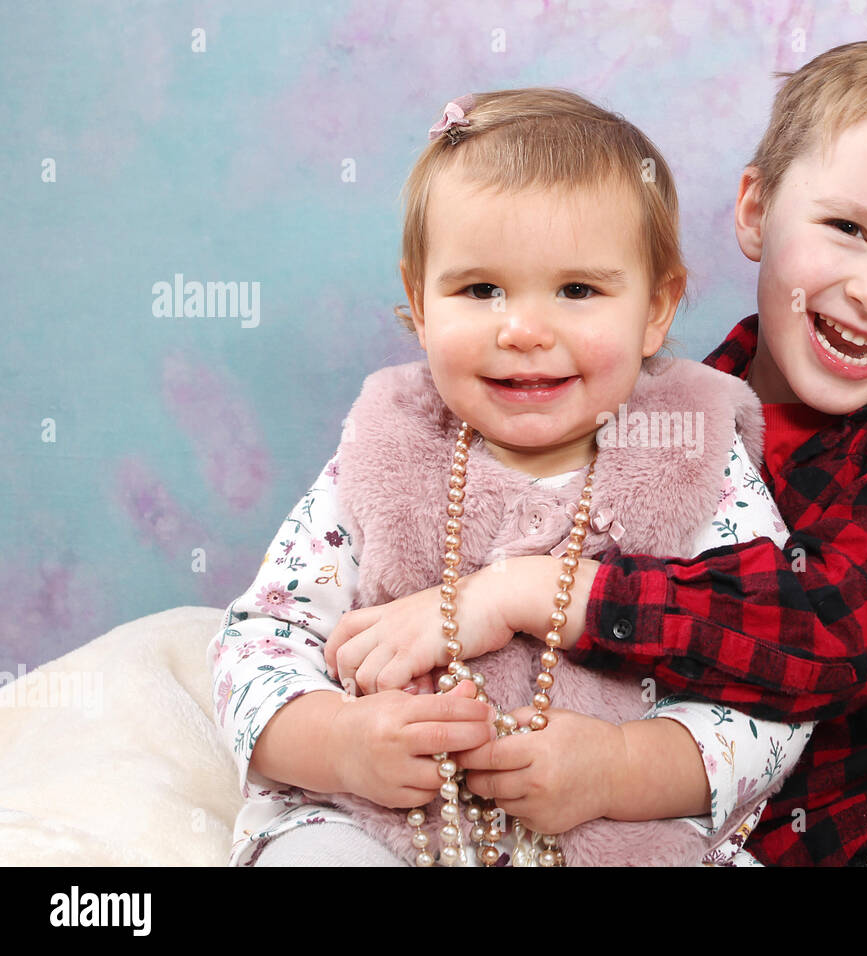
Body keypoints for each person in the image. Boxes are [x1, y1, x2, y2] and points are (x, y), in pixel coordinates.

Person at [329, 40, 867, 867]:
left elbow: (831, 632)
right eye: (846, 228)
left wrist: (533, 592)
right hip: (703, 830)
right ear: (756, 211)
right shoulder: (665, 410)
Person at [208, 87, 811, 867]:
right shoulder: (387, 448)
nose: (524, 330)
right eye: (480, 290)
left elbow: (770, 685)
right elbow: (262, 639)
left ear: (656, 309)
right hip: (388, 827)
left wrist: (621, 772)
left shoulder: (694, 459)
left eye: (578, 290)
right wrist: (342, 744)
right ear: (421, 304)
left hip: (621, 838)